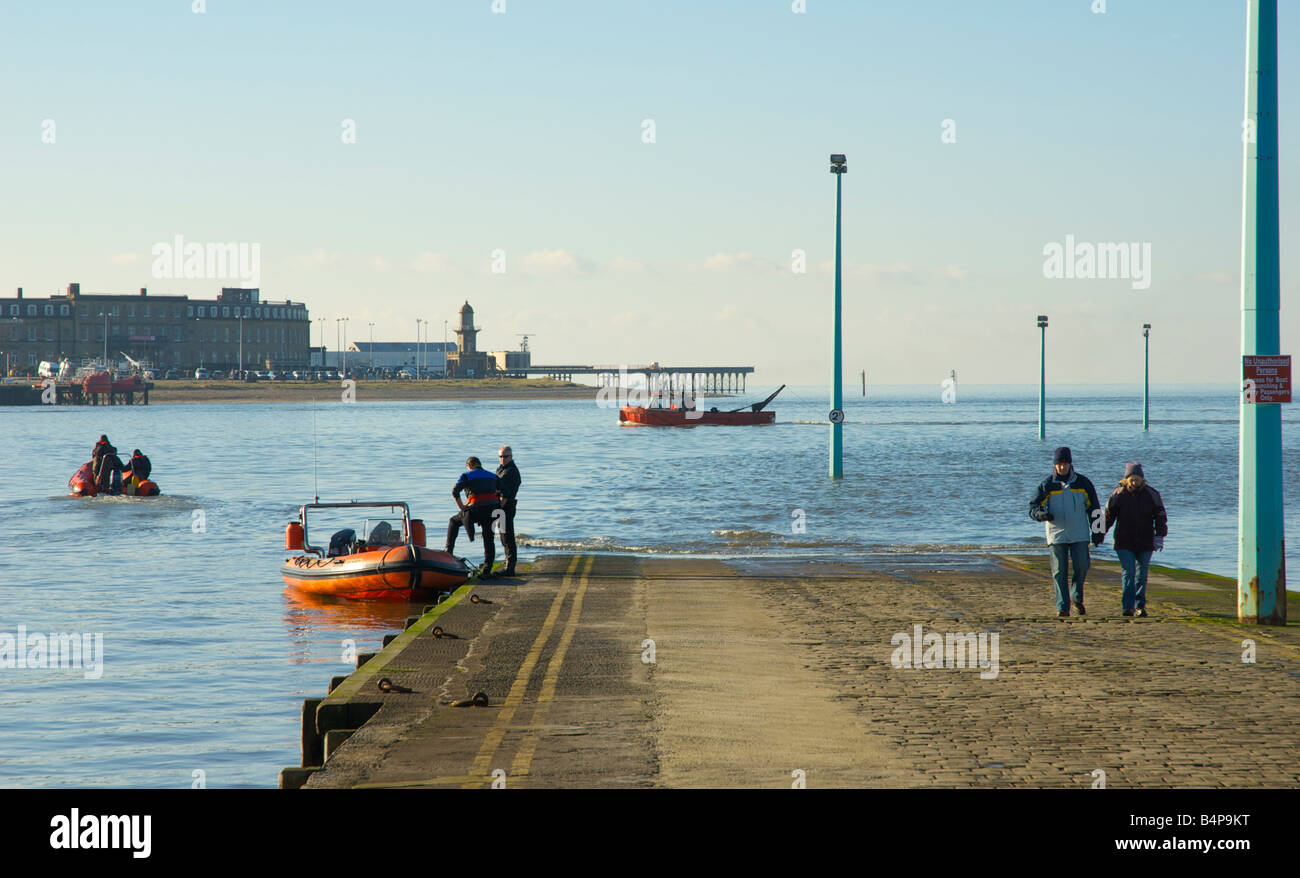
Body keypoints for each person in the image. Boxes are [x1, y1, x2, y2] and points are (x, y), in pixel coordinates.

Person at [1029, 447, 1103, 617]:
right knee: (1059, 571)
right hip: (1056, 534)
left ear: (1070, 464)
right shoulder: (1047, 485)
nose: (1062, 467)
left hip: (1080, 533)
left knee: (1082, 565)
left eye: (1065, 464)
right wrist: (1041, 515)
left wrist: (1098, 531)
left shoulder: (1083, 483)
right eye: (1059, 464)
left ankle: (1076, 597)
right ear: (1054, 465)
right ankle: (1063, 607)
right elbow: (1033, 507)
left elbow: (1095, 509)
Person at [1103, 463, 1168, 618]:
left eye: (1137, 479)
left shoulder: (1152, 494)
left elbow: (1160, 516)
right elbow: (1107, 516)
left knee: (1141, 575)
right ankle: (1127, 606)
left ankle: (1140, 605)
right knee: (1128, 573)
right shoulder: (1118, 495)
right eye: (1131, 479)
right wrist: (1098, 534)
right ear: (1126, 480)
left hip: (1145, 541)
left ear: (1142, 479)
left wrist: (1160, 536)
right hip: (1123, 541)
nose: (1134, 482)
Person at [445, 456, 503, 578]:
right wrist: (499, 507)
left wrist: (462, 507)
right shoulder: (492, 476)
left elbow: (455, 492)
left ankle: (448, 553)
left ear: (469, 466)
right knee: (488, 539)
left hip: (474, 512)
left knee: (453, 521)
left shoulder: (466, 475)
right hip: (492, 512)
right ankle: (487, 570)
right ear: (480, 464)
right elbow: (506, 493)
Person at [495, 445, 521, 577]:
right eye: (500, 456)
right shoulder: (501, 469)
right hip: (501, 506)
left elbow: (506, 493)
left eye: (505, 456)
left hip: (506, 506)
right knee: (504, 537)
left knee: (507, 537)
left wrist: (499, 507)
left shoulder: (511, 471)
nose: (503, 459)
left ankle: (510, 567)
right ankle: (508, 563)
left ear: (511, 457)